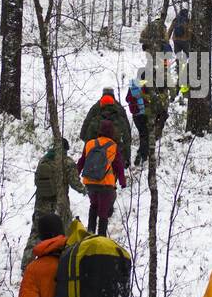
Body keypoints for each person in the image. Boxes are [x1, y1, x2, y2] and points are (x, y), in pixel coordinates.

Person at [24, 138, 85, 267]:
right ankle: (62, 264)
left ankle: (27, 263)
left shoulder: (44, 160)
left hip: (41, 204)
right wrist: (84, 190)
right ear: (65, 150)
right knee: (64, 233)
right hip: (59, 204)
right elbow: (75, 183)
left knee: (36, 233)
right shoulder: (66, 162)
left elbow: (37, 181)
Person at [77, 118, 126, 236]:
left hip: (90, 182)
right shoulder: (113, 146)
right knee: (103, 212)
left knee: (93, 206)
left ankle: (90, 234)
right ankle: (101, 238)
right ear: (112, 132)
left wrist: (75, 174)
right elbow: (118, 166)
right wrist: (122, 182)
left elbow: (82, 161)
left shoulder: (90, 144)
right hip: (106, 184)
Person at [79, 87, 132, 166]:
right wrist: (127, 157)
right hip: (115, 151)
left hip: (97, 151)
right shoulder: (119, 108)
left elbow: (85, 129)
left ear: (103, 93)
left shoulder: (95, 107)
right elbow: (127, 135)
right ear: (113, 94)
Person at [169, 7, 192, 95]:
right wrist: (190, 39)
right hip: (185, 41)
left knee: (178, 56)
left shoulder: (176, 20)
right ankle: (185, 69)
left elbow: (170, 29)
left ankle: (179, 66)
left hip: (176, 41)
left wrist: (167, 40)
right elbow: (190, 31)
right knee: (187, 56)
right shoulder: (188, 21)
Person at [126, 74, 149, 166]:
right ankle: (142, 155)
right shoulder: (146, 85)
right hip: (145, 114)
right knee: (146, 135)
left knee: (142, 134)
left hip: (136, 115)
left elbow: (127, 98)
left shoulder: (133, 86)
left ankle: (142, 154)